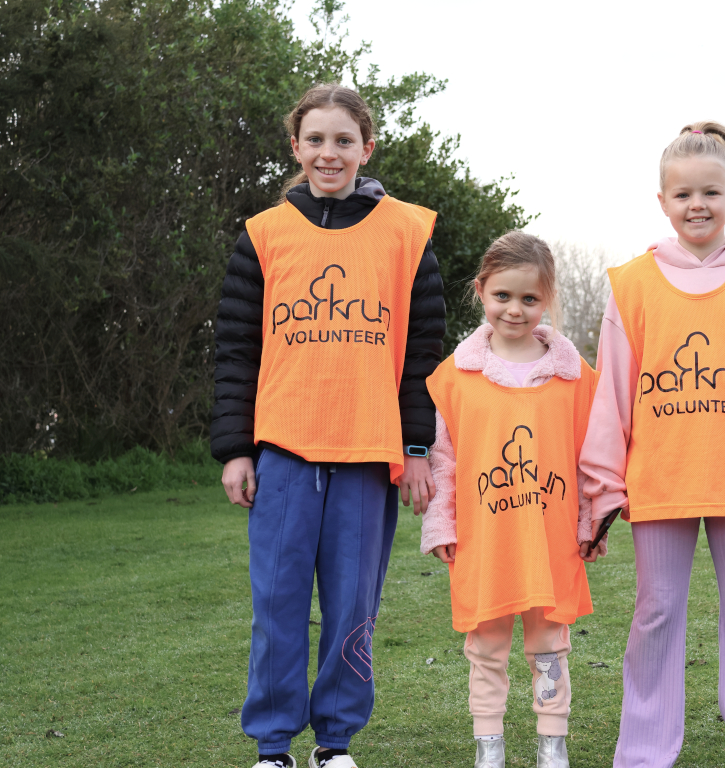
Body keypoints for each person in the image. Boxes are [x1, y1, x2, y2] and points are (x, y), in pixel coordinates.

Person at [210, 83, 446, 768]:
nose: (329, 153)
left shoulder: (408, 232)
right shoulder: (264, 235)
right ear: (295, 147)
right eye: (315, 140)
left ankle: (335, 742)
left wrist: (419, 448)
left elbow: (423, 353)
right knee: (277, 604)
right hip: (283, 449)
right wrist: (235, 449)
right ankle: (274, 744)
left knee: (352, 609)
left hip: (371, 452)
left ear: (366, 148)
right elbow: (236, 348)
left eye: (343, 140)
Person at [579, 122, 725, 768]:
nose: (698, 205)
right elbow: (613, 400)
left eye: (711, 192)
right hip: (662, 482)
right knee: (656, 614)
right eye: (683, 194)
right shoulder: (630, 284)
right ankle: (645, 754)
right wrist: (602, 495)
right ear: (662, 201)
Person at [419, 231, 603, 768]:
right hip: (485, 540)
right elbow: (443, 461)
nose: (515, 310)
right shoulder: (454, 378)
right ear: (481, 291)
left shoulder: (575, 378)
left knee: (549, 648)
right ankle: (489, 747)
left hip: (551, 541)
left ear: (547, 299)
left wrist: (593, 522)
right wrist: (441, 524)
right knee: (486, 649)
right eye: (502, 296)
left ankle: (552, 744)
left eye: (529, 298)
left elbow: (590, 458)